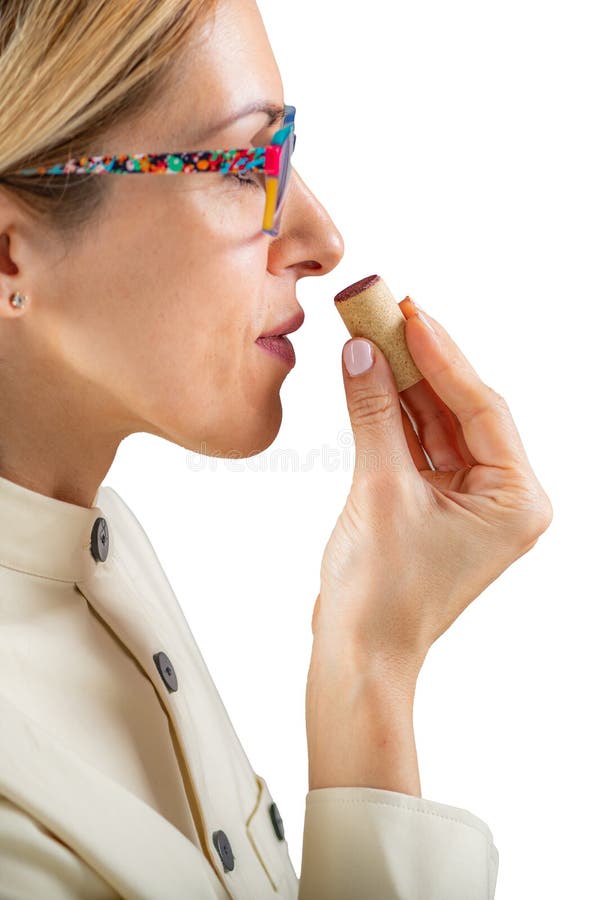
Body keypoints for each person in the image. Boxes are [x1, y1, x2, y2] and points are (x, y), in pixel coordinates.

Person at [0, 1, 553, 898]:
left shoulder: (105, 542)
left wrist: (368, 655)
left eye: (286, 153)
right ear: (7, 254)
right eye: (245, 165)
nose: (322, 238)